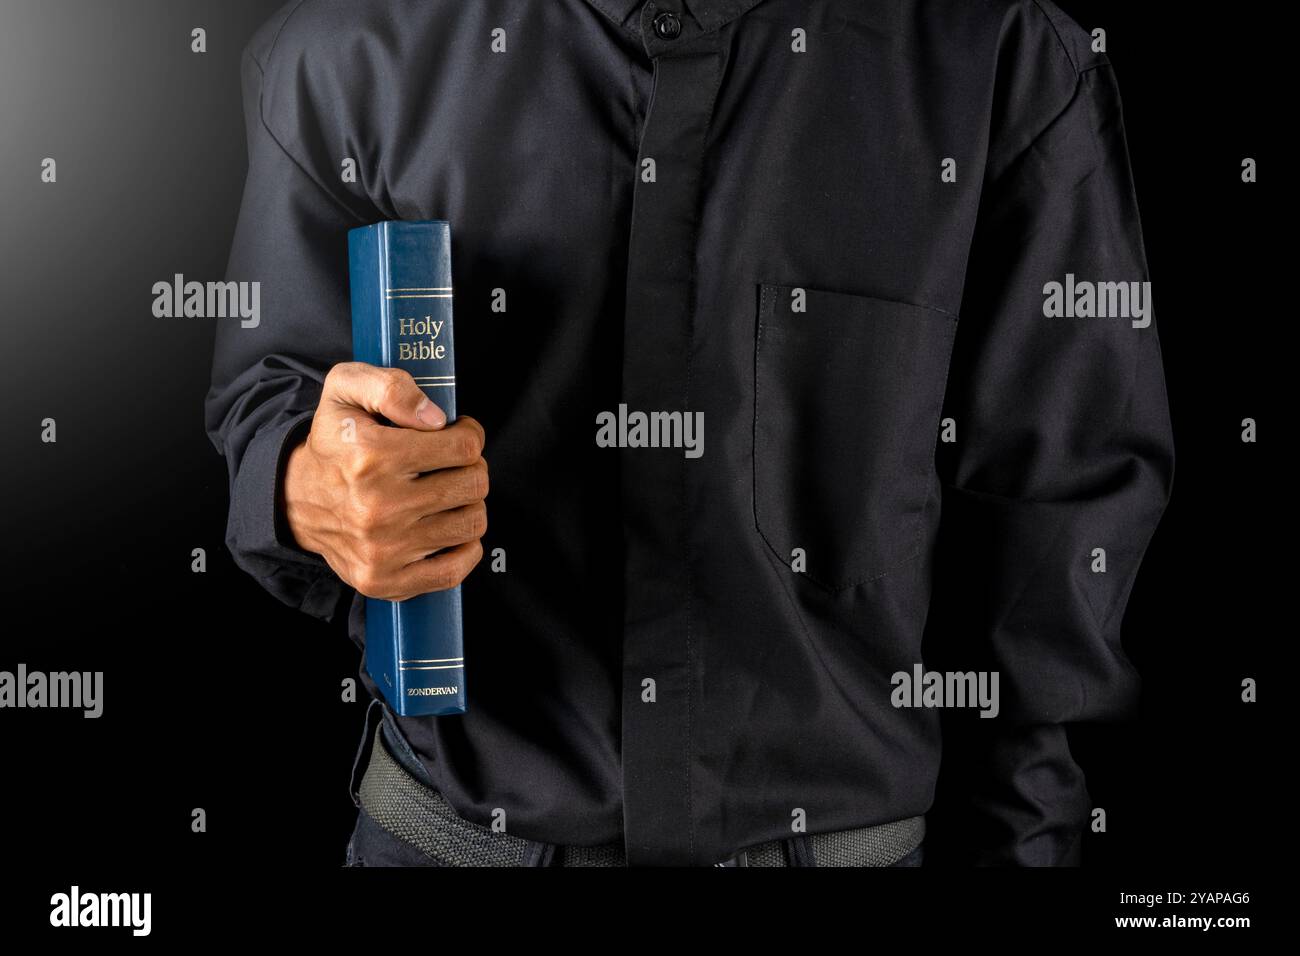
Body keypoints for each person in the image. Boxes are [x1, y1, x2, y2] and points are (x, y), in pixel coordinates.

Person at [205, 0, 1174, 867]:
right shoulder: (340, 46)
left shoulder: (1001, 56)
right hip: (444, 837)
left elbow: (1054, 541)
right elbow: (266, 400)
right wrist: (302, 486)